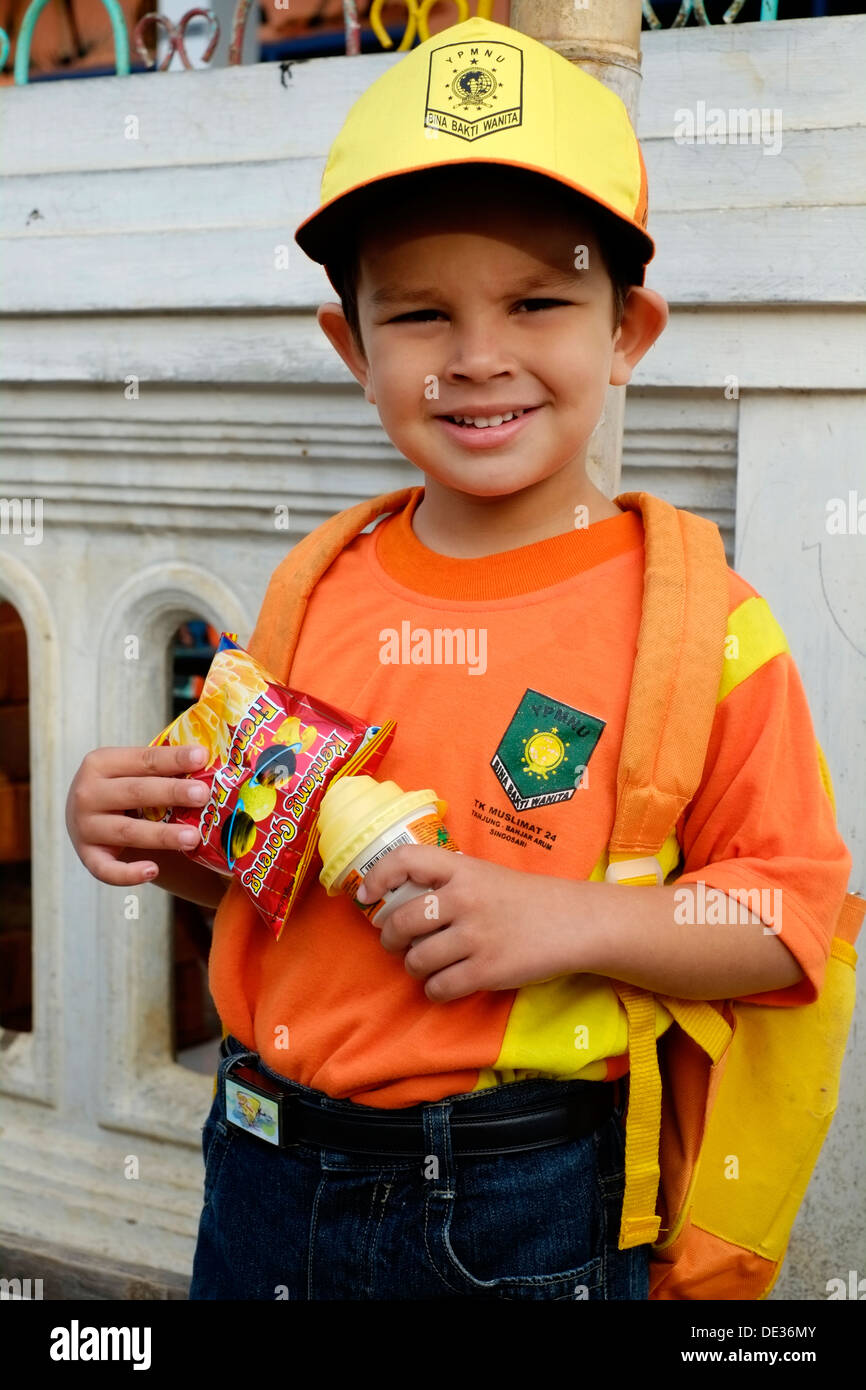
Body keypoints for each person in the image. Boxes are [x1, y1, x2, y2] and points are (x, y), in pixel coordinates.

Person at [65, 17, 852, 1300]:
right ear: (352, 348)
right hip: (261, 1164)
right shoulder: (312, 587)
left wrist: (568, 920)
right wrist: (163, 837)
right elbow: (282, 879)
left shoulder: (701, 624)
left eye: (538, 301)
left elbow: (786, 923)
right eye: (420, 312)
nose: (478, 355)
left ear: (625, 330)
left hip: (510, 1204)